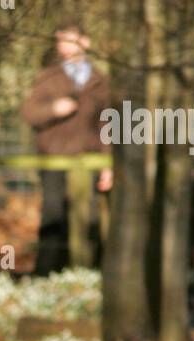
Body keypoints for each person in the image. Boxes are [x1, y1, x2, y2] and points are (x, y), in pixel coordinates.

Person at [20, 19, 112, 276]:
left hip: (90, 159)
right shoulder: (47, 77)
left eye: (69, 40)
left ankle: (90, 271)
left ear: (85, 42)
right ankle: (47, 272)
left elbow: (108, 125)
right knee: (53, 212)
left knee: (90, 215)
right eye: (60, 40)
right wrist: (53, 109)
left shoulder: (101, 82)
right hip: (53, 158)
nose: (63, 47)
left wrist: (108, 163)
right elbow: (29, 113)